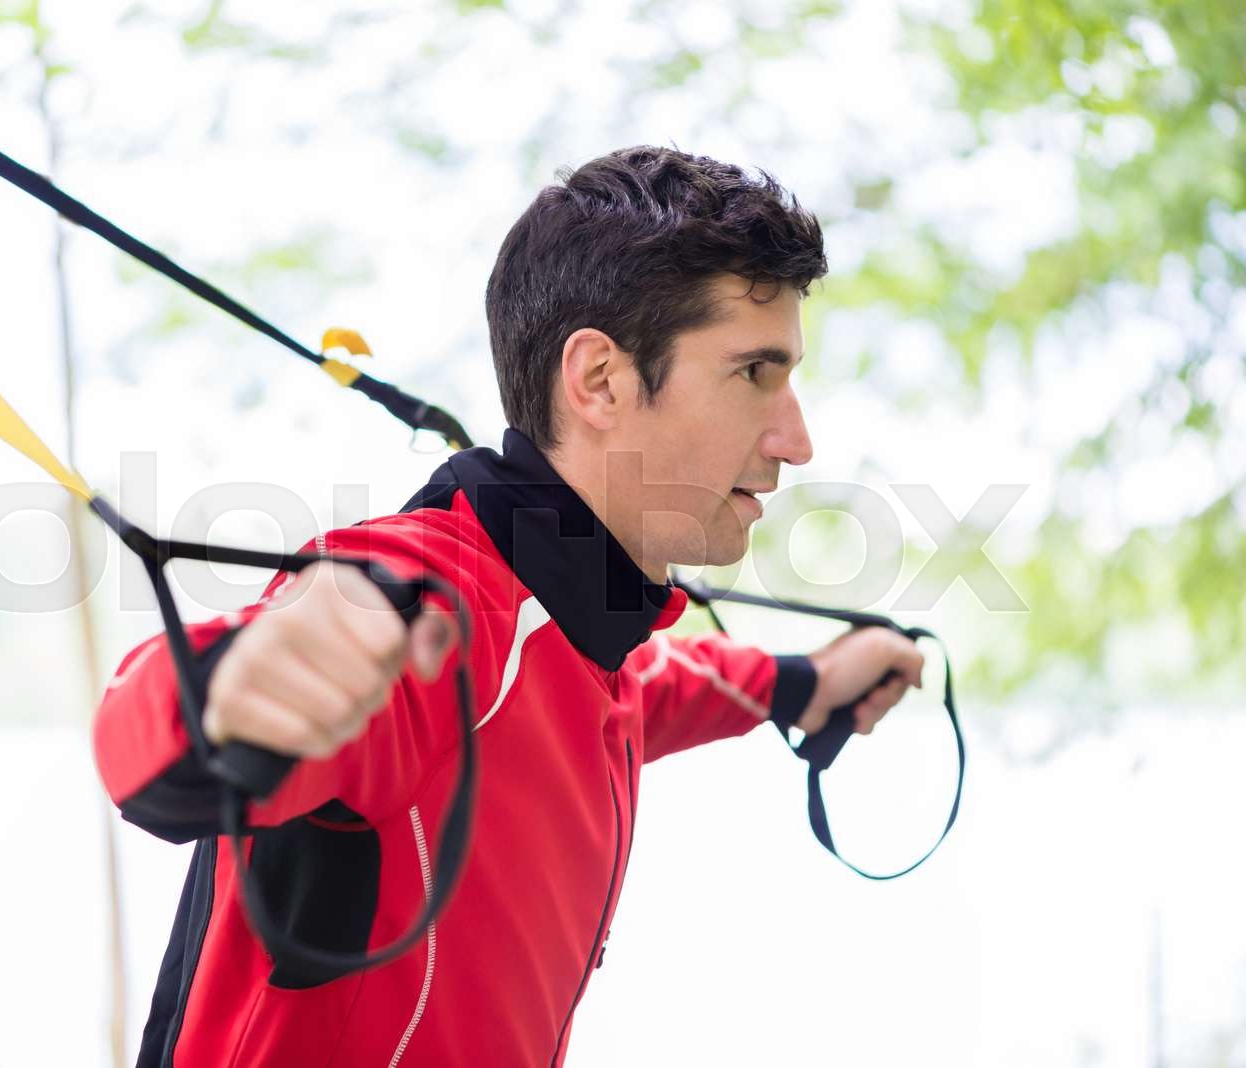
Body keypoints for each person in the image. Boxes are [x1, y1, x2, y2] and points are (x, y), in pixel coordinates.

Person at [93, 145, 926, 1068]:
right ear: (600, 380)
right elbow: (153, 728)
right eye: (754, 374)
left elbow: (644, 687)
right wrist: (219, 697)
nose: (796, 439)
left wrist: (807, 682)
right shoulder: (426, 605)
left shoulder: (578, 626)